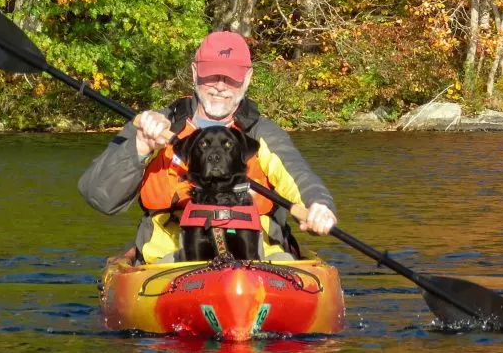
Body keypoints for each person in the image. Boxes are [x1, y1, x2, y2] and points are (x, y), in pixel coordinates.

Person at [79, 30, 337, 264]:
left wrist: (318, 206)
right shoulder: (153, 126)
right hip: (171, 251)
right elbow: (99, 197)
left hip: (258, 252)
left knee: (283, 263)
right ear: (195, 73)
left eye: (231, 78)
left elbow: (299, 176)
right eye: (212, 75)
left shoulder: (262, 134)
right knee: (168, 262)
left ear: (247, 78)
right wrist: (139, 146)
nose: (220, 86)